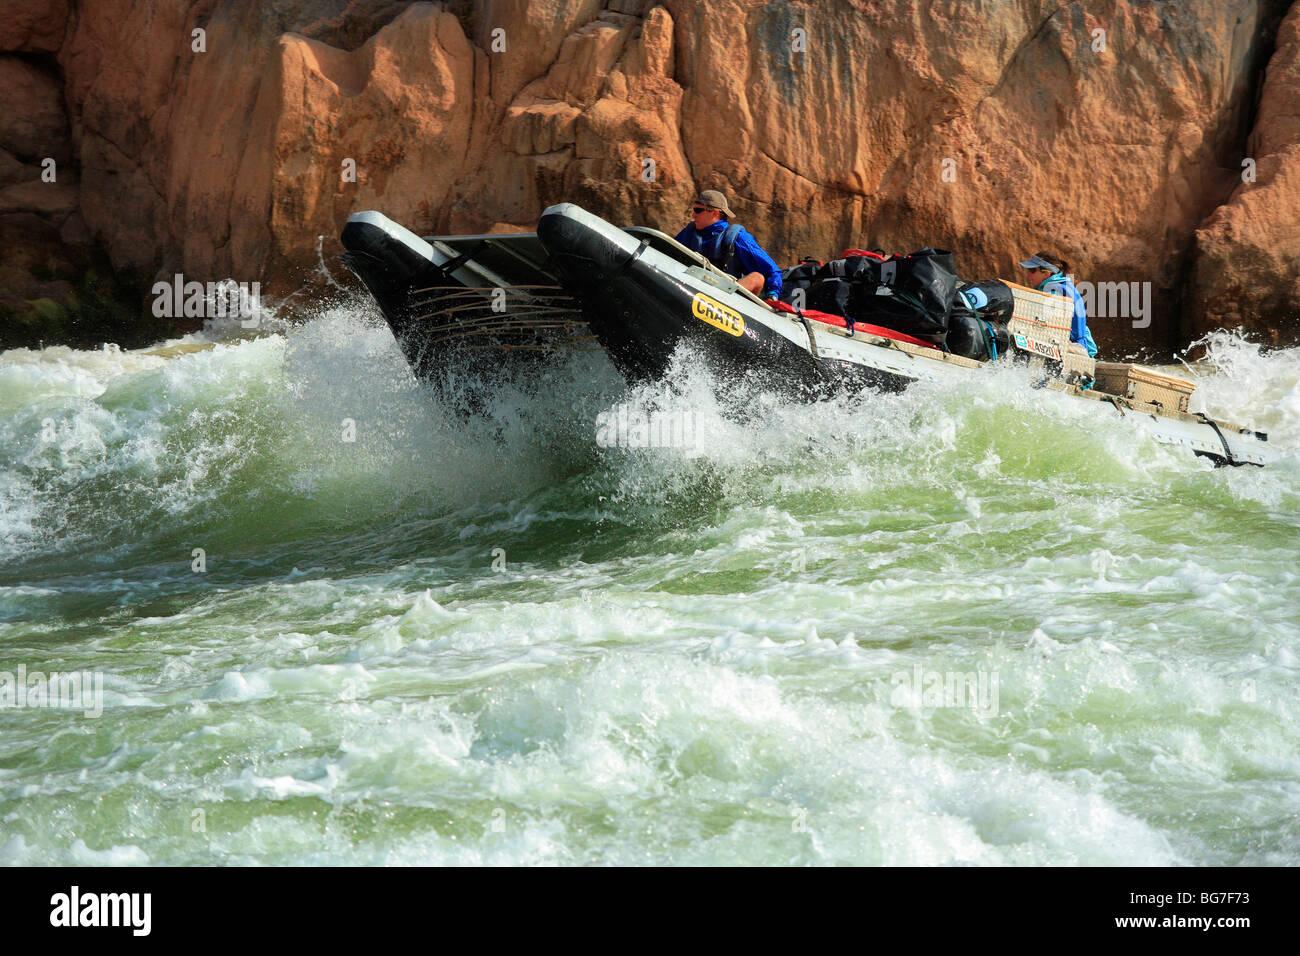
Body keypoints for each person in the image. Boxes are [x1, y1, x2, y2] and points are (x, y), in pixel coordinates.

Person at [674, 190, 783, 301]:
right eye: (694, 209)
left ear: (715, 213)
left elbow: (772, 270)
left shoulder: (739, 238)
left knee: (757, 278)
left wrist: (772, 295)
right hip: (691, 287)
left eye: (698, 210)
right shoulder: (690, 232)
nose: (693, 215)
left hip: (724, 298)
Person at [1020, 252, 1098, 357]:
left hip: (1075, 348)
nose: (1028, 274)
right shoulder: (1061, 285)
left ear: (1047, 274)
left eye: (1032, 270)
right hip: (1081, 344)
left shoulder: (1053, 292)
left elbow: (1046, 330)